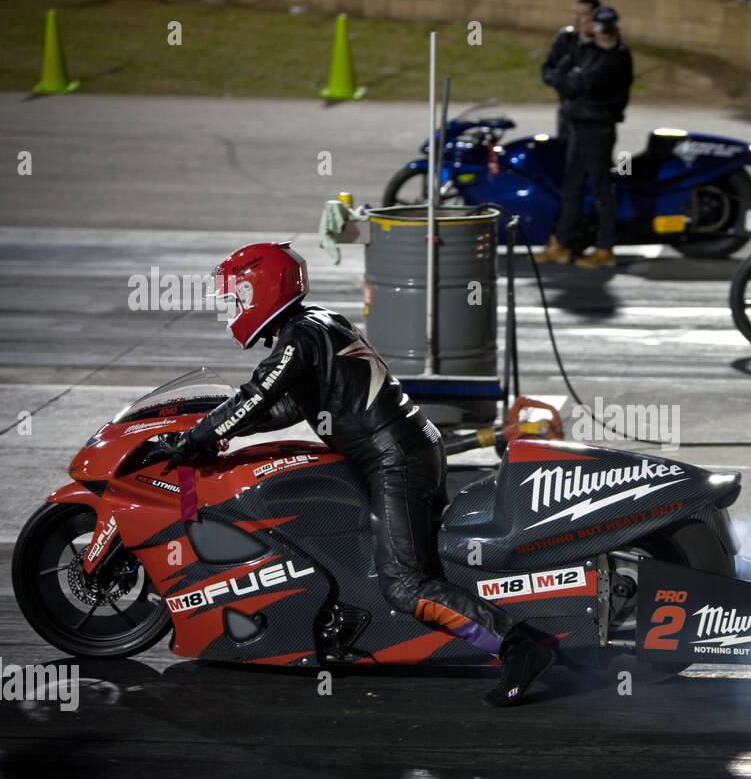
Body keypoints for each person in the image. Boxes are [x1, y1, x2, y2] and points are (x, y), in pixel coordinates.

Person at [154, 242, 556, 706]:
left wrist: (196, 437)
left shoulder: (300, 337)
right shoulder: (317, 324)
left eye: (239, 295)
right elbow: (286, 405)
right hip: (405, 450)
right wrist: (218, 429)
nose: (235, 306)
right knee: (409, 565)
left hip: (394, 460)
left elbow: (257, 395)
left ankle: (518, 646)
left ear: (262, 288)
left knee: (405, 583)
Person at [536, 5, 633, 269]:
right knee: (571, 188)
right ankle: (562, 244)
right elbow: (561, 69)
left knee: (601, 190)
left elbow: (577, 84)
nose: (604, 33)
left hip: (598, 130)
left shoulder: (616, 58)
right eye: (600, 27)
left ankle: (605, 249)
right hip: (579, 127)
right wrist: (584, 42)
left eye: (609, 27)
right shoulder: (589, 50)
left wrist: (568, 79)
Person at [542, 0, 600, 140]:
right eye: (575, 13)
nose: (577, 18)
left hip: (594, 117)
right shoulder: (565, 38)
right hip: (567, 110)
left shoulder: (602, 44)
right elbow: (548, 69)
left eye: (583, 14)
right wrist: (562, 82)